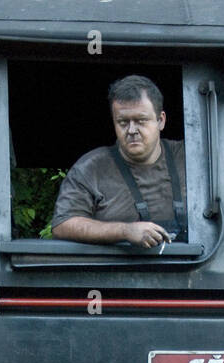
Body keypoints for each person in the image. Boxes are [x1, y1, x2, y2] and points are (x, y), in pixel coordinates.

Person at [51, 75, 187, 248]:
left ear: (161, 120)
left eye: (140, 121)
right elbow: (62, 225)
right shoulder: (90, 167)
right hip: (116, 274)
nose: (131, 130)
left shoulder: (191, 156)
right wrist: (124, 231)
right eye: (123, 122)